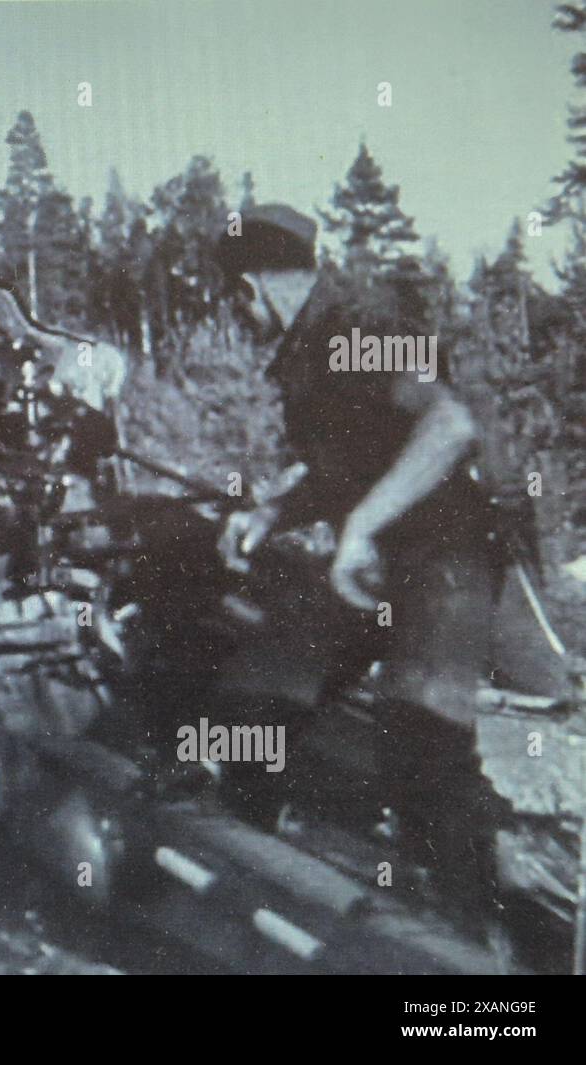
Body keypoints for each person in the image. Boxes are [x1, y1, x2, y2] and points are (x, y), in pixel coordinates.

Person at [214, 203, 514, 928]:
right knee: (261, 693)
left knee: (422, 739)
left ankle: (479, 960)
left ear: (249, 287)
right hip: (383, 559)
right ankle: (245, 892)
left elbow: (449, 426)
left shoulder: (357, 331)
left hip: (449, 552)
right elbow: (349, 465)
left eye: (232, 299)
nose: (235, 315)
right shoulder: (312, 348)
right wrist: (271, 514)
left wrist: (358, 527)